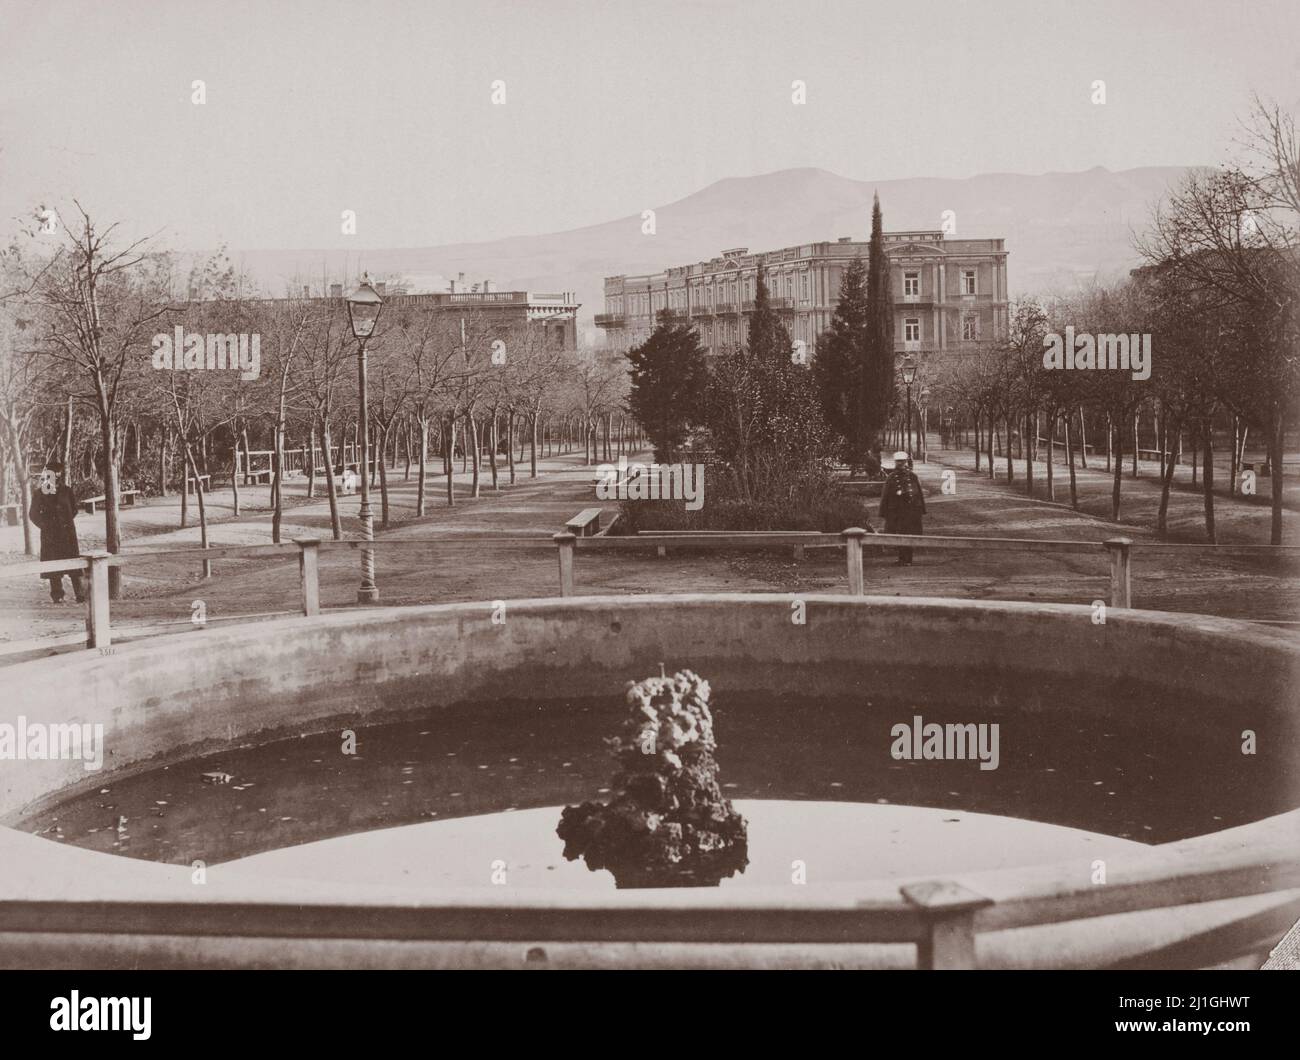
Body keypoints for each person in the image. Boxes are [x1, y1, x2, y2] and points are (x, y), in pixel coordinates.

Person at [29, 462, 85, 603]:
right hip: (50, 535)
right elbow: (33, 514)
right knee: (53, 565)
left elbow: (74, 510)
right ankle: (57, 595)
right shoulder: (40, 493)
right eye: (53, 474)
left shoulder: (67, 491)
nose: (56, 477)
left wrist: (64, 522)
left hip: (67, 534)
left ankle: (80, 594)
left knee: (74, 564)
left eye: (59, 474)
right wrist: (46, 526)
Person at [879, 450, 926, 566]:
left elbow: (919, 493)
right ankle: (902, 559)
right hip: (896, 511)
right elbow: (885, 495)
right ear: (895, 462)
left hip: (911, 511)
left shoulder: (913, 476)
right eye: (897, 461)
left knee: (910, 533)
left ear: (906, 462)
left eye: (902, 461)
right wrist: (883, 511)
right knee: (898, 533)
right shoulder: (891, 477)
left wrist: (921, 509)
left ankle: (908, 559)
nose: (900, 464)